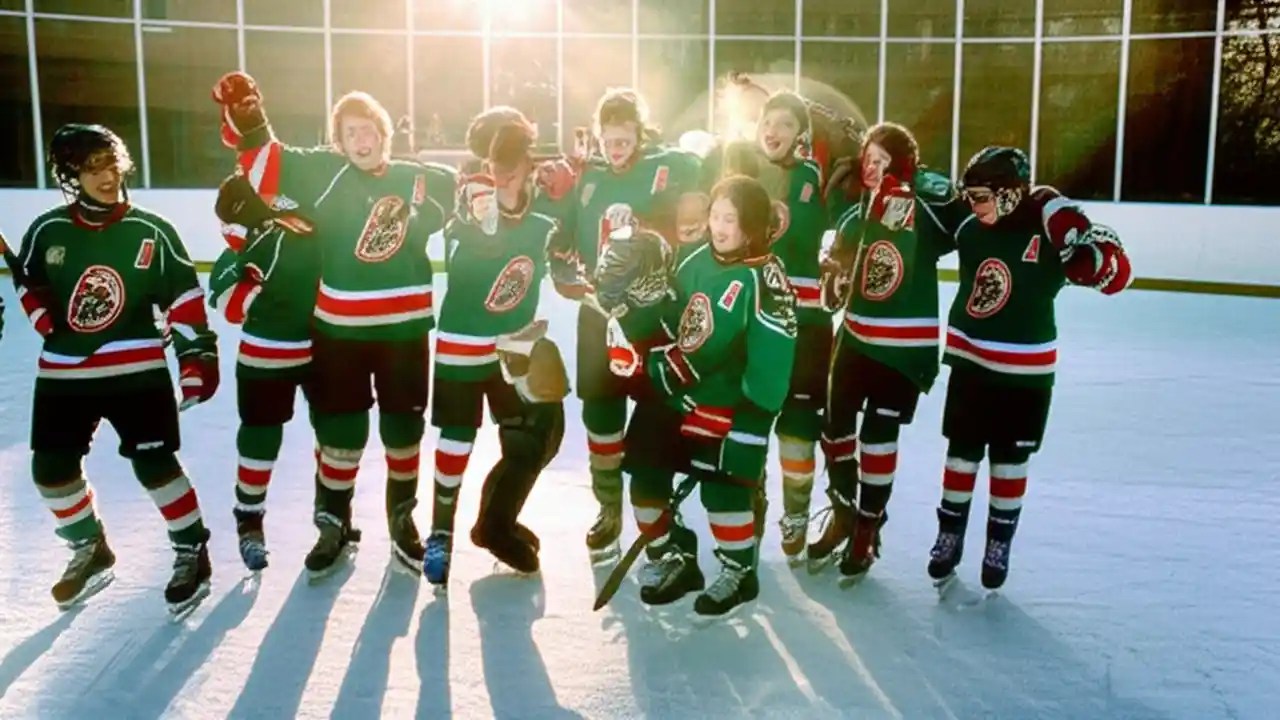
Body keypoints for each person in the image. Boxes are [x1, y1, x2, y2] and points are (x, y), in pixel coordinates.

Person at [212, 71, 457, 578]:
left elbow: (459, 196)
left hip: (405, 333)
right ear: (338, 141)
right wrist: (252, 120)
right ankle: (334, 521)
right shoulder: (325, 172)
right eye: (349, 133)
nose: (360, 140)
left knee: (402, 433)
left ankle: (401, 519)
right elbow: (268, 161)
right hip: (341, 335)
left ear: (385, 132)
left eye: (368, 129)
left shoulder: (421, 177)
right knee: (343, 433)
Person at [13, 124, 219, 614]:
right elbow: (31, 282)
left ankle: (192, 549)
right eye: (90, 169)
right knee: (50, 471)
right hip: (65, 372)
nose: (105, 176)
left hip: (137, 369)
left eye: (109, 163)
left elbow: (185, 300)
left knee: (155, 465)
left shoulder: (152, 230)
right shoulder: (47, 230)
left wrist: (196, 359)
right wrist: (36, 306)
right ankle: (90, 547)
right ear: (71, 177)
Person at [928, 146, 1132, 591]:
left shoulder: (1048, 222)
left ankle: (999, 543)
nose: (973, 204)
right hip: (971, 362)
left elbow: (1117, 277)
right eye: (971, 195)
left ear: (1008, 194)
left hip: (1026, 372)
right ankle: (949, 533)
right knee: (961, 453)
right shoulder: (968, 220)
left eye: (981, 196)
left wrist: (1092, 254)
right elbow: (925, 218)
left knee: (1010, 459)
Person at [597, 174, 797, 617]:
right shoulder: (694, 260)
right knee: (646, 479)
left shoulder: (766, 276)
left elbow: (765, 350)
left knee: (722, 494)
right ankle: (675, 556)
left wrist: (756, 410)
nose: (720, 226)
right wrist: (634, 307)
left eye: (732, 219)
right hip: (674, 392)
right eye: (716, 216)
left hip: (725, 405)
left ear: (752, 225)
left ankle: (738, 571)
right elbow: (673, 320)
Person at [805, 122, 965, 580]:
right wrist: (833, 270)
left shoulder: (923, 212)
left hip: (904, 349)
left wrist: (922, 184)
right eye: (867, 160)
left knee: (877, 438)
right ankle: (842, 512)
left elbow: (954, 223)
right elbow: (834, 283)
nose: (870, 169)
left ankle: (867, 528)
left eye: (882, 161)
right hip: (854, 341)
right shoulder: (857, 215)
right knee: (835, 428)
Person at [549, 88, 702, 563]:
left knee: (658, 413)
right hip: (599, 316)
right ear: (598, 137)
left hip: (653, 316)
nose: (616, 148)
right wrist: (559, 264)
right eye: (608, 139)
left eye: (625, 138)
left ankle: (655, 510)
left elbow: (702, 180)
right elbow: (564, 234)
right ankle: (609, 508)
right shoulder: (589, 180)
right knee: (601, 413)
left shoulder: (667, 167)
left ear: (640, 133)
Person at [423, 107, 569, 585]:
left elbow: (569, 248)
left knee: (540, 433)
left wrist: (572, 187)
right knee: (457, 438)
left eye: (513, 167)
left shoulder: (547, 204)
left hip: (516, 342)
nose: (501, 178)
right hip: (464, 341)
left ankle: (495, 523)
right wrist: (486, 210)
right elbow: (475, 249)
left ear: (529, 162)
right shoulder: (469, 200)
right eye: (494, 167)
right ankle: (439, 532)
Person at [208, 172, 321, 571]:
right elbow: (230, 307)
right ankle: (249, 516)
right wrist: (248, 268)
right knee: (260, 436)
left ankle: (331, 516)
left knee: (333, 428)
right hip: (265, 353)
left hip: (325, 347)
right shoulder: (242, 249)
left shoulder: (311, 226)